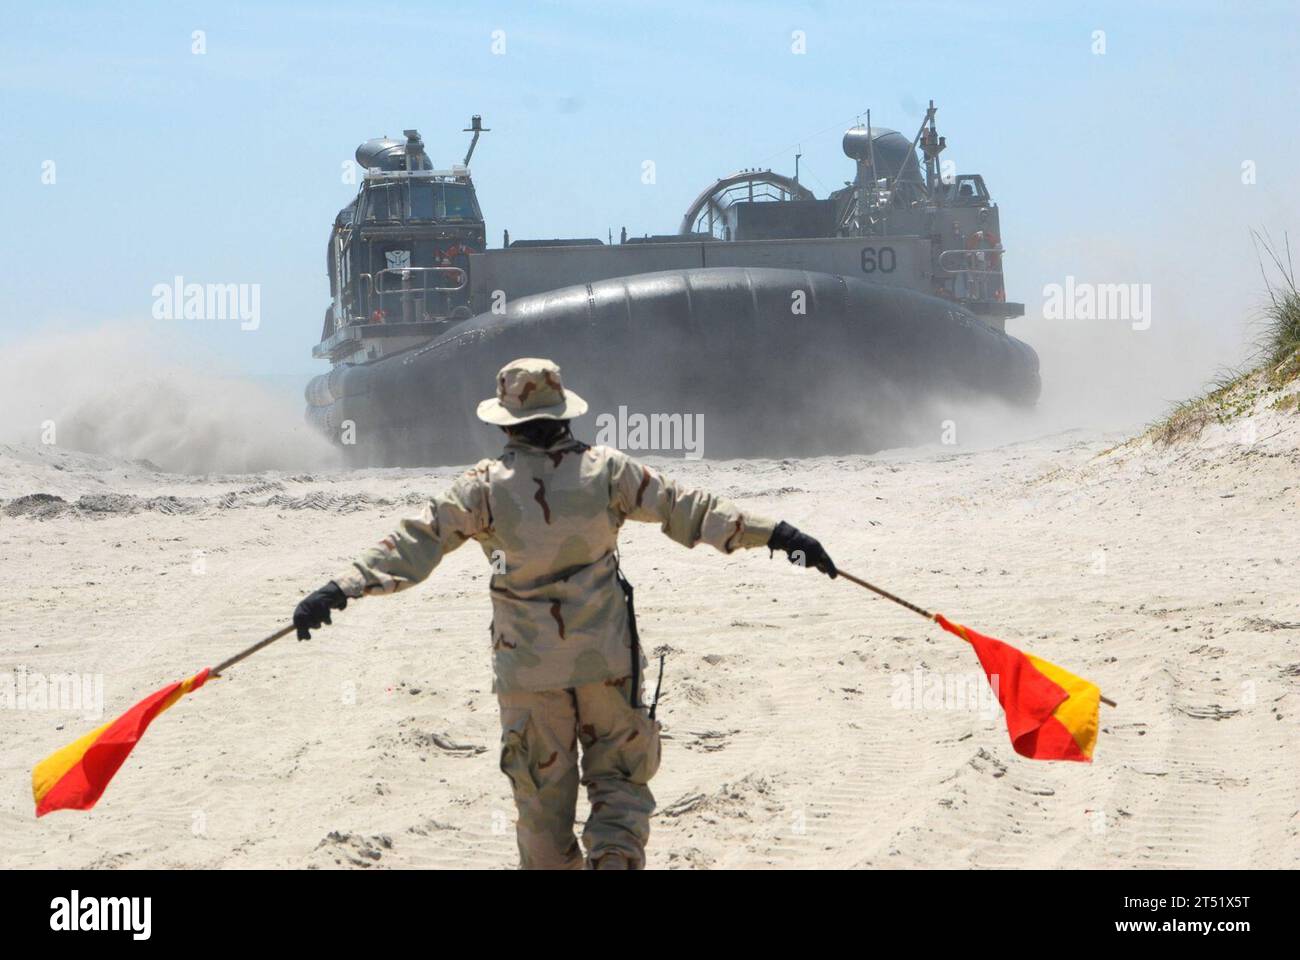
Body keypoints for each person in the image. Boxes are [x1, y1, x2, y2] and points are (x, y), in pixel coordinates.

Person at [293, 358, 836, 869]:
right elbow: (689, 509)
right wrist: (779, 535)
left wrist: (340, 589)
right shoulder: (607, 472)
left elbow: (417, 542)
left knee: (540, 809)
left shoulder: (481, 488)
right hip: (606, 664)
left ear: (506, 424)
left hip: (530, 674)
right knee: (620, 788)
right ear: (563, 413)